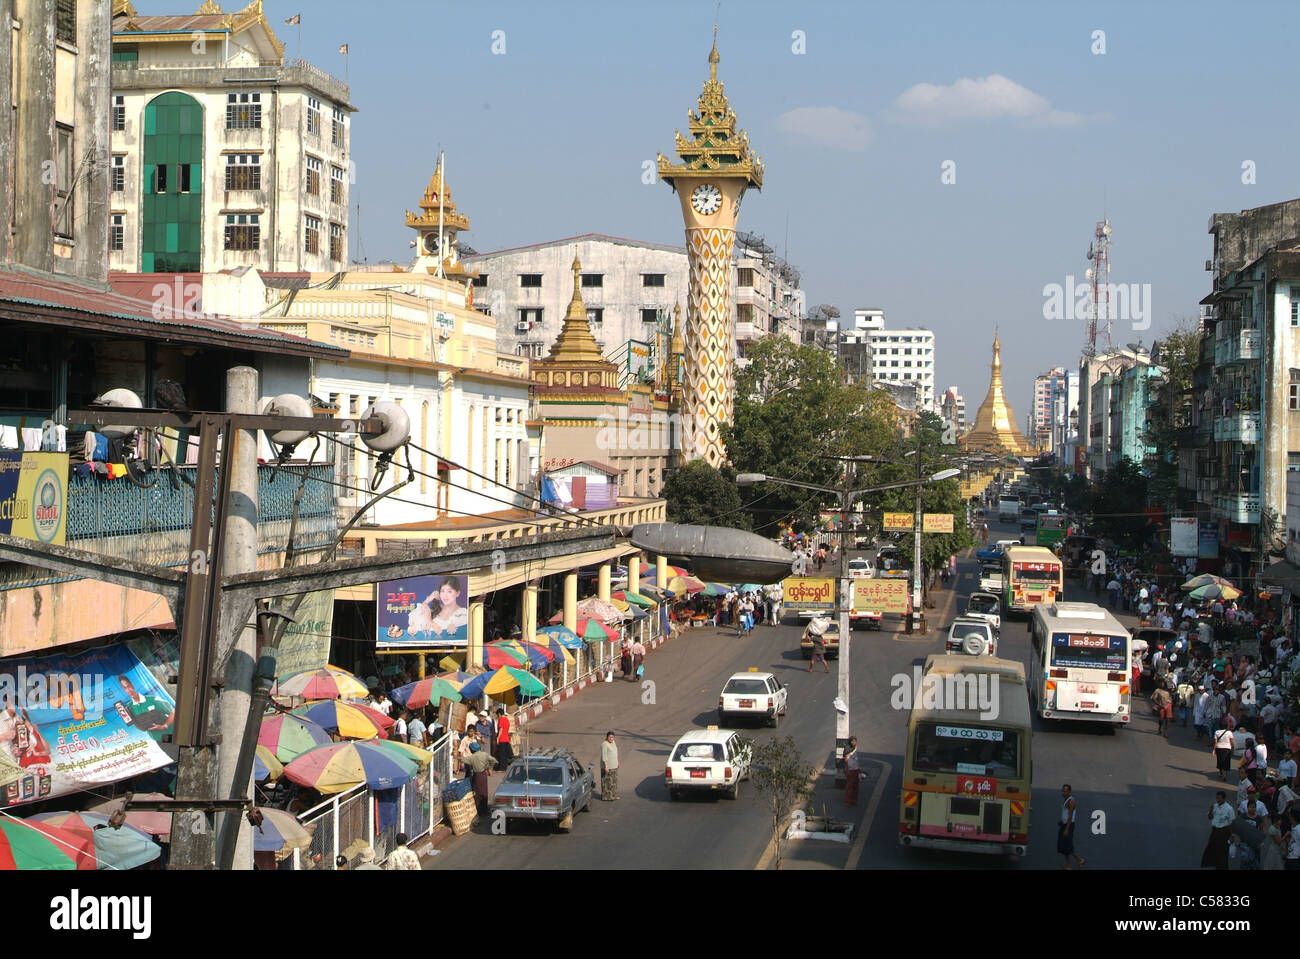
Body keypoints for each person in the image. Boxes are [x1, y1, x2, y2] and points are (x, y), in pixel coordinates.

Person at [1201, 792, 1234, 869]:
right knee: (1213, 850)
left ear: (1224, 799)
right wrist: (1211, 809)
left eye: (1220, 798)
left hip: (1224, 832)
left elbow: (1232, 823)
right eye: (1217, 798)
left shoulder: (1229, 808)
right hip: (1215, 831)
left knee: (1222, 852)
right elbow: (1210, 817)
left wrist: (1232, 836)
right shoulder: (1214, 806)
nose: (1218, 800)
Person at [1058, 784, 1085, 869]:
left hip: (1068, 826)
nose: (1063, 792)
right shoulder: (1066, 799)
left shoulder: (1071, 801)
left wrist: (1066, 829)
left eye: (1065, 791)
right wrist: (1061, 822)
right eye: (1062, 791)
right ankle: (1073, 863)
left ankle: (1075, 862)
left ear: (1069, 792)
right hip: (1064, 825)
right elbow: (1065, 813)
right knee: (1065, 846)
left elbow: (1070, 816)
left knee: (1067, 846)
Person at [600, 731, 619, 801]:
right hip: (608, 767)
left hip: (614, 766)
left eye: (612, 737)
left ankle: (613, 795)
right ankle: (606, 797)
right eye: (610, 737)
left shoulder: (613, 742)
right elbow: (604, 756)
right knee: (607, 782)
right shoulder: (604, 744)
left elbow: (615, 752)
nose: (611, 738)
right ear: (607, 737)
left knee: (614, 782)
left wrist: (617, 762)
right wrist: (606, 766)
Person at [844, 736, 862, 806]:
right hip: (850, 770)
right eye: (852, 741)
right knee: (849, 786)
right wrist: (847, 770)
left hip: (856, 769)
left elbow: (856, 759)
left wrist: (858, 769)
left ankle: (854, 800)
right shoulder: (847, 750)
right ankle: (847, 801)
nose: (853, 743)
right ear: (849, 741)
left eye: (855, 741)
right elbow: (846, 761)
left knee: (855, 786)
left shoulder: (855, 748)